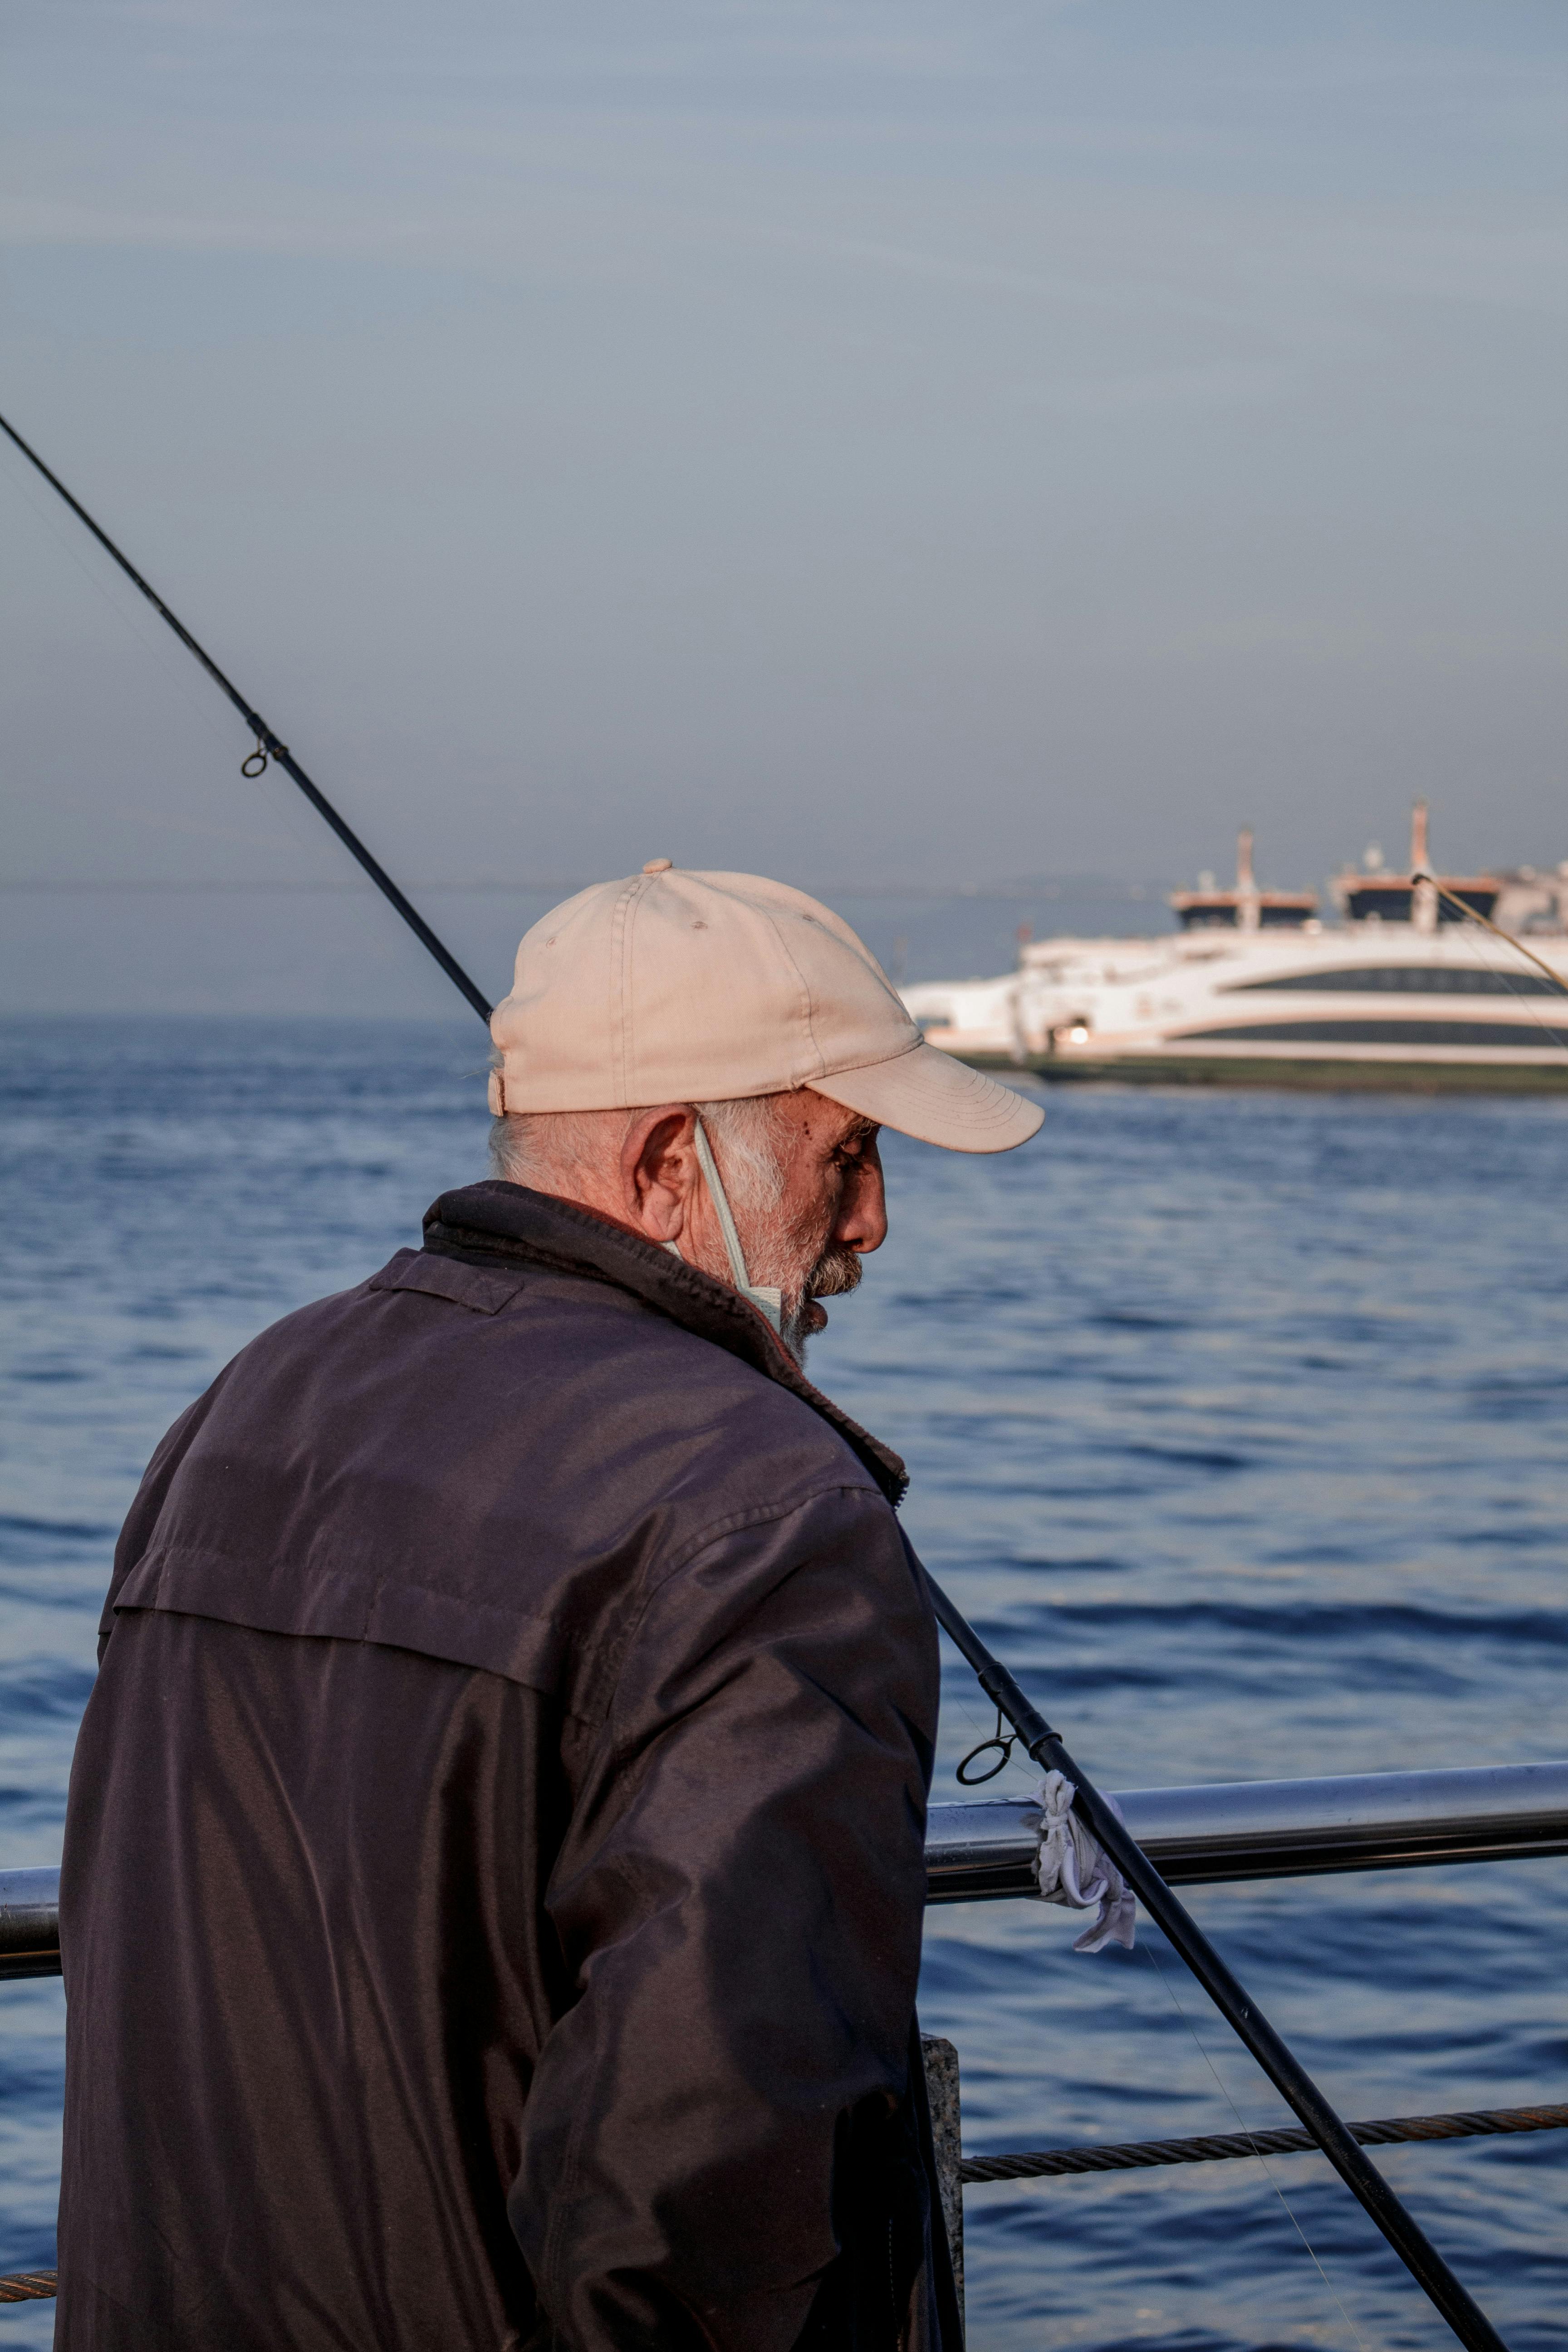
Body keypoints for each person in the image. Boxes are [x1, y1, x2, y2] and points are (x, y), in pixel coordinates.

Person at [56, 863, 1043, 2351]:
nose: (876, 1221)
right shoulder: (769, 1515)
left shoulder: (247, 1405)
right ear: (665, 1162)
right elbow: (706, 2186)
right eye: (847, 1155)